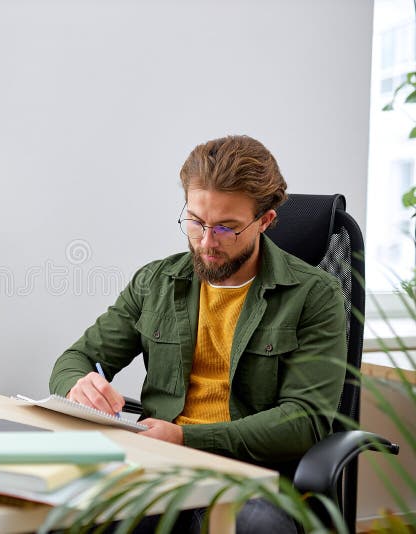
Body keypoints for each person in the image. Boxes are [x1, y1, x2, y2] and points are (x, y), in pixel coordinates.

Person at [49, 135, 347, 533]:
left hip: (250, 476)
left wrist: (186, 438)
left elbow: (305, 420)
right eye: (196, 222)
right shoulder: (156, 282)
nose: (206, 243)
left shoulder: (315, 295)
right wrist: (78, 386)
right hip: (156, 467)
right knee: (58, 514)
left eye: (227, 228)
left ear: (265, 221)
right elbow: (75, 360)